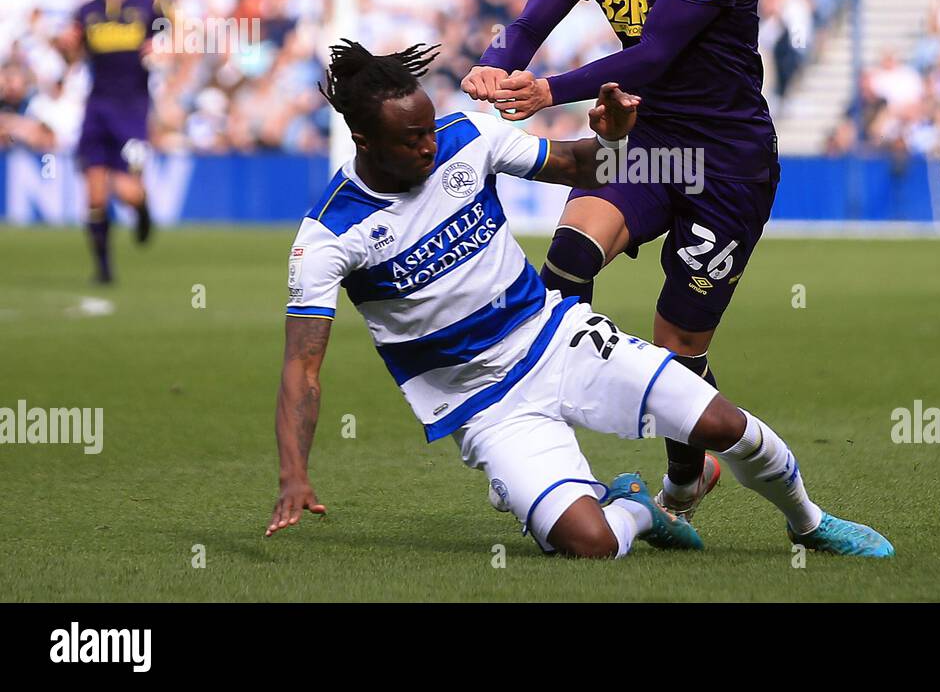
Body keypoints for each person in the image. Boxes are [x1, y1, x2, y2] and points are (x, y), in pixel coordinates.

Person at [268, 40, 893, 560]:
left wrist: (616, 140)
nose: (429, 147)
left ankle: (809, 522)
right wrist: (295, 474)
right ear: (361, 139)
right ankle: (639, 511)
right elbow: (303, 369)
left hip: (553, 338)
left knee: (724, 425)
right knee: (589, 544)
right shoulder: (327, 237)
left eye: (429, 130)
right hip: (483, 406)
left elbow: (579, 165)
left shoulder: (467, 139)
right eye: (411, 140)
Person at [462, 0, 779, 524]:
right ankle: (551, 452)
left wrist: (546, 90)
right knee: (566, 263)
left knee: (677, 343)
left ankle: (685, 482)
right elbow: (534, 14)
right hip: (650, 144)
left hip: (727, 161)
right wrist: (496, 60)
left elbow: (652, 57)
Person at [60, 0, 161, 283]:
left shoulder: (148, 5)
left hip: (132, 108)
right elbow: (73, 57)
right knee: (94, 190)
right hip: (97, 105)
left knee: (124, 188)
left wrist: (163, 53)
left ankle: (142, 208)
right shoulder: (87, 8)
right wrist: (66, 48)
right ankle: (103, 269)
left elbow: (173, 42)